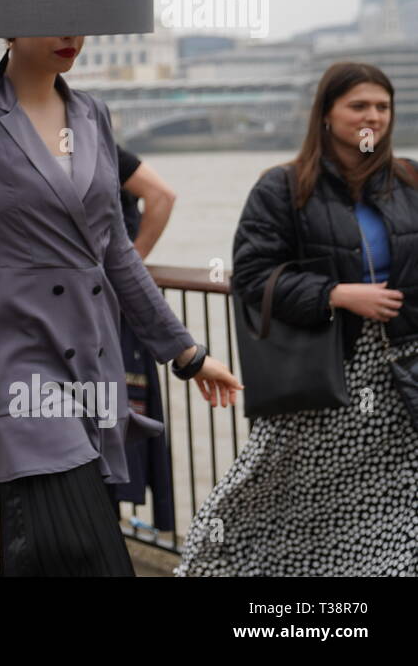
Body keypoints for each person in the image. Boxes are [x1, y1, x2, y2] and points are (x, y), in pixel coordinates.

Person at [0, 36, 241, 577]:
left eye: (79, 21)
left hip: (90, 357)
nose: (71, 37)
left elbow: (116, 253)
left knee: (42, 547)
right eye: (52, 19)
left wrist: (187, 353)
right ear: (10, 27)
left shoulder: (92, 115)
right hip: (7, 360)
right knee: (83, 545)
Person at [178, 62, 418, 576]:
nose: (372, 116)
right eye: (358, 106)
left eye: (382, 106)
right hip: (321, 380)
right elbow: (252, 275)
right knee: (274, 495)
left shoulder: (409, 181)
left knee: (398, 506)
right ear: (327, 115)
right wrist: (336, 294)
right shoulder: (284, 187)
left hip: (401, 381)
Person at [108, 146, 178, 532]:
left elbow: (162, 196)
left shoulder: (95, 143)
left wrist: (130, 261)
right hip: (114, 306)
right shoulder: (90, 138)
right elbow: (162, 196)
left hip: (105, 304)